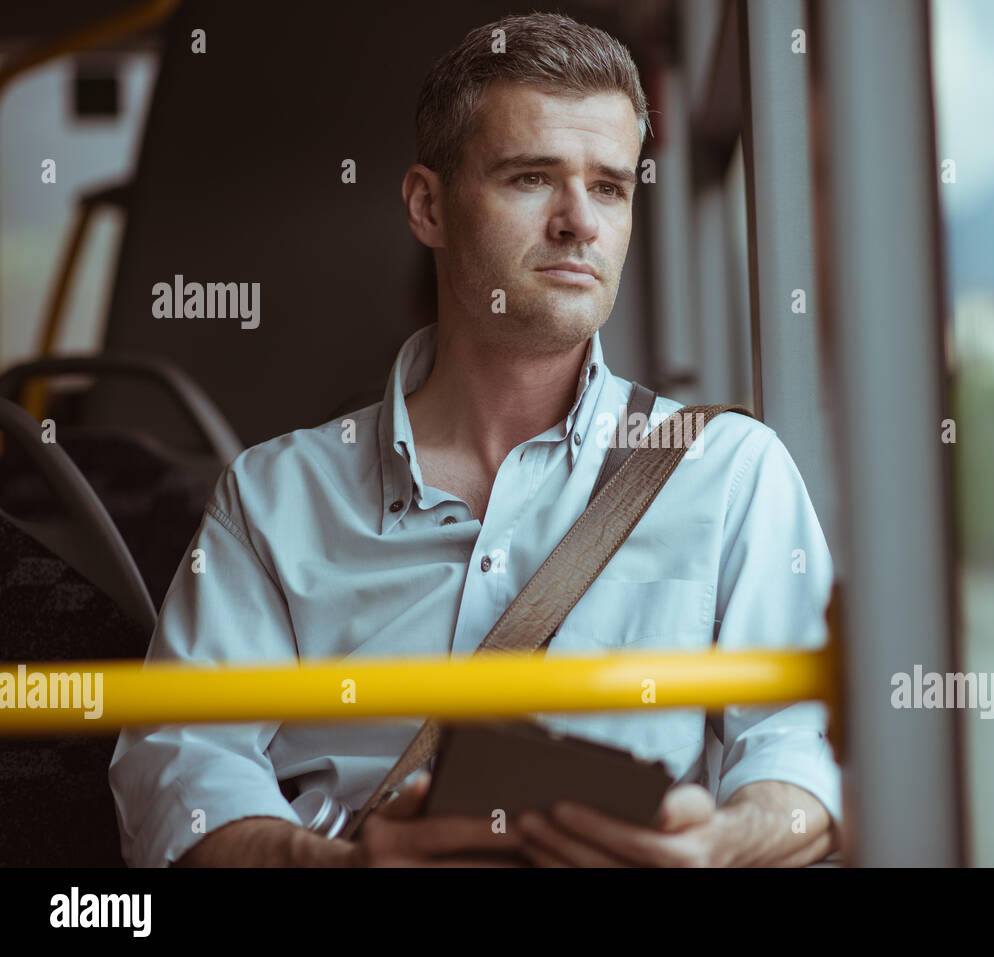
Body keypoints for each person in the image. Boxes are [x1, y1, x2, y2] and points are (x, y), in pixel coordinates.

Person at [109, 11, 841, 867]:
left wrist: (724, 842)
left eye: (609, 186)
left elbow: (805, 750)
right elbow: (181, 775)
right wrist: (341, 866)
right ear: (429, 206)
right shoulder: (273, 498)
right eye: (532, 178)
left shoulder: (732, 473)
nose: (580, 222)